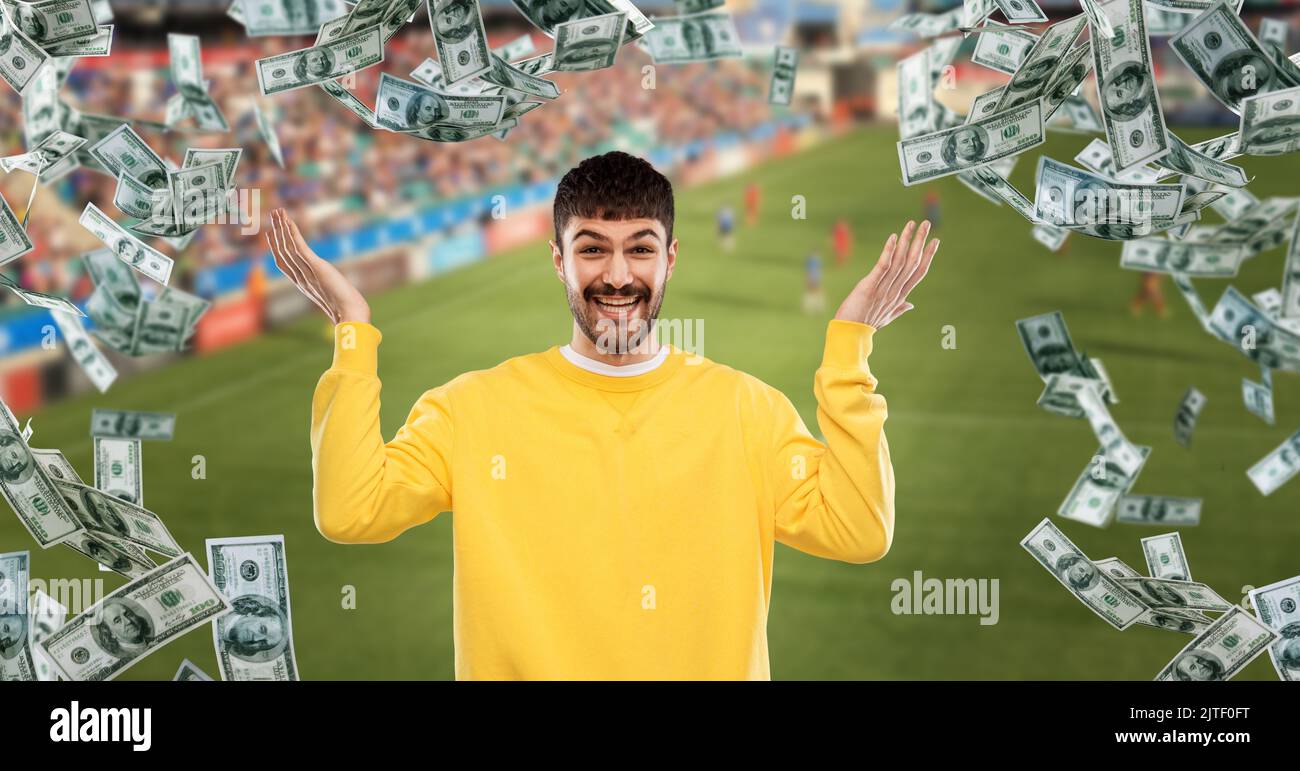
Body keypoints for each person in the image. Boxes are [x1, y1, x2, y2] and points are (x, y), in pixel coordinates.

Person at [272, 152, 939, 680]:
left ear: (669, 258)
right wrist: (352, 331)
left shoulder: (746, 409)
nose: (617, 274)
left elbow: (859, 530)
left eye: (640, 248)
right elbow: (350, 509)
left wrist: (850, 349)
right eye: (592, 248)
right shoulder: (470, 408)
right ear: (559, 260)